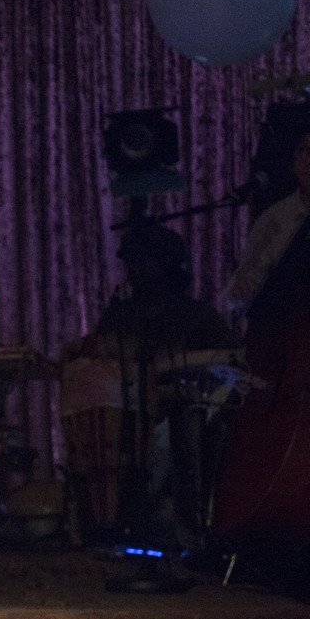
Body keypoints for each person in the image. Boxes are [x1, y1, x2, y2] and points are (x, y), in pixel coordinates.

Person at [65, 222, 237, 545]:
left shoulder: (196, 315)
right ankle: (111, 520)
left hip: (185, 418)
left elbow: (231, 359)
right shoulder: (122, 314)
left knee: (183, 427)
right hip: (133, 419)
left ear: (167, 264)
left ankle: (189, 526)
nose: (134, 272)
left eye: (143, 262)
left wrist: (174, 375)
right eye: (130, 264)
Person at [224, 126, 310, 393]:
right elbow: (241, 288)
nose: (309, 158)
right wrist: (239, 291)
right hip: (280, 348)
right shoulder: (274, 219)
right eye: (303, 151)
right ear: (294, 161)